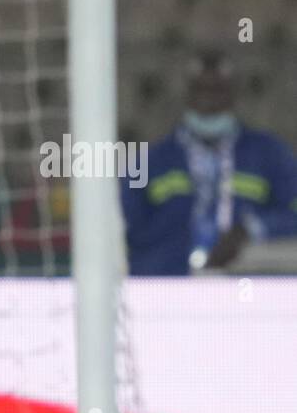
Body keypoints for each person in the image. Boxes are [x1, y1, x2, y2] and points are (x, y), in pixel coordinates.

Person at [123, 52, 297, 275]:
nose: (210, 100)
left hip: (248, 288)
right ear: (188, 95)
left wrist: (251, 229)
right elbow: (124, 226)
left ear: (233, 95)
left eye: (218, 91)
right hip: (167, 291)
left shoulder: (268, 154)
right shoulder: (150, 161)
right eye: (201, 90)